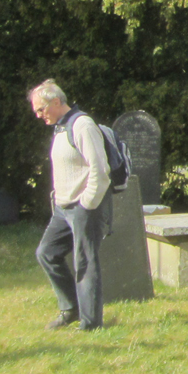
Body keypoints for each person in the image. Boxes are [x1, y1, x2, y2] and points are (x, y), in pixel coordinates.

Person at [29, 79, 110, 331]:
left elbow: (101, 170)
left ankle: (90, 324)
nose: (39, 116)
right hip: (63, 209)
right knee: (46, 253)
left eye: (41, 110)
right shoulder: (60, 128)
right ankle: (71, 308)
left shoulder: (82, 125)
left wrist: (87, 203)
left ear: (56, 101)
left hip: (83, 207)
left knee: (84, 263)